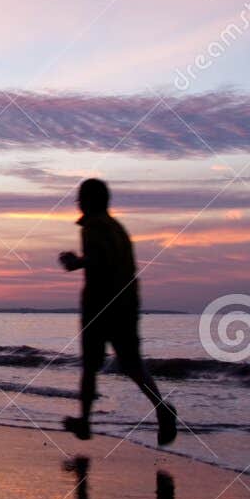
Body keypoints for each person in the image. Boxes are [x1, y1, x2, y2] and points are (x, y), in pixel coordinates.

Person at [58, 178, 177, 445]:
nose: (78, 203)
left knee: (90, 365)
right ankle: (162, 408)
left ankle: (85, 422)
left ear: (89, 201)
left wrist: (75, 262)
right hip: (126, 304)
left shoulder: (94, 226)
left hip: (101, 305)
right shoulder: (117, 228)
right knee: (133, 365)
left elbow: (100, 260)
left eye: (80, 198)